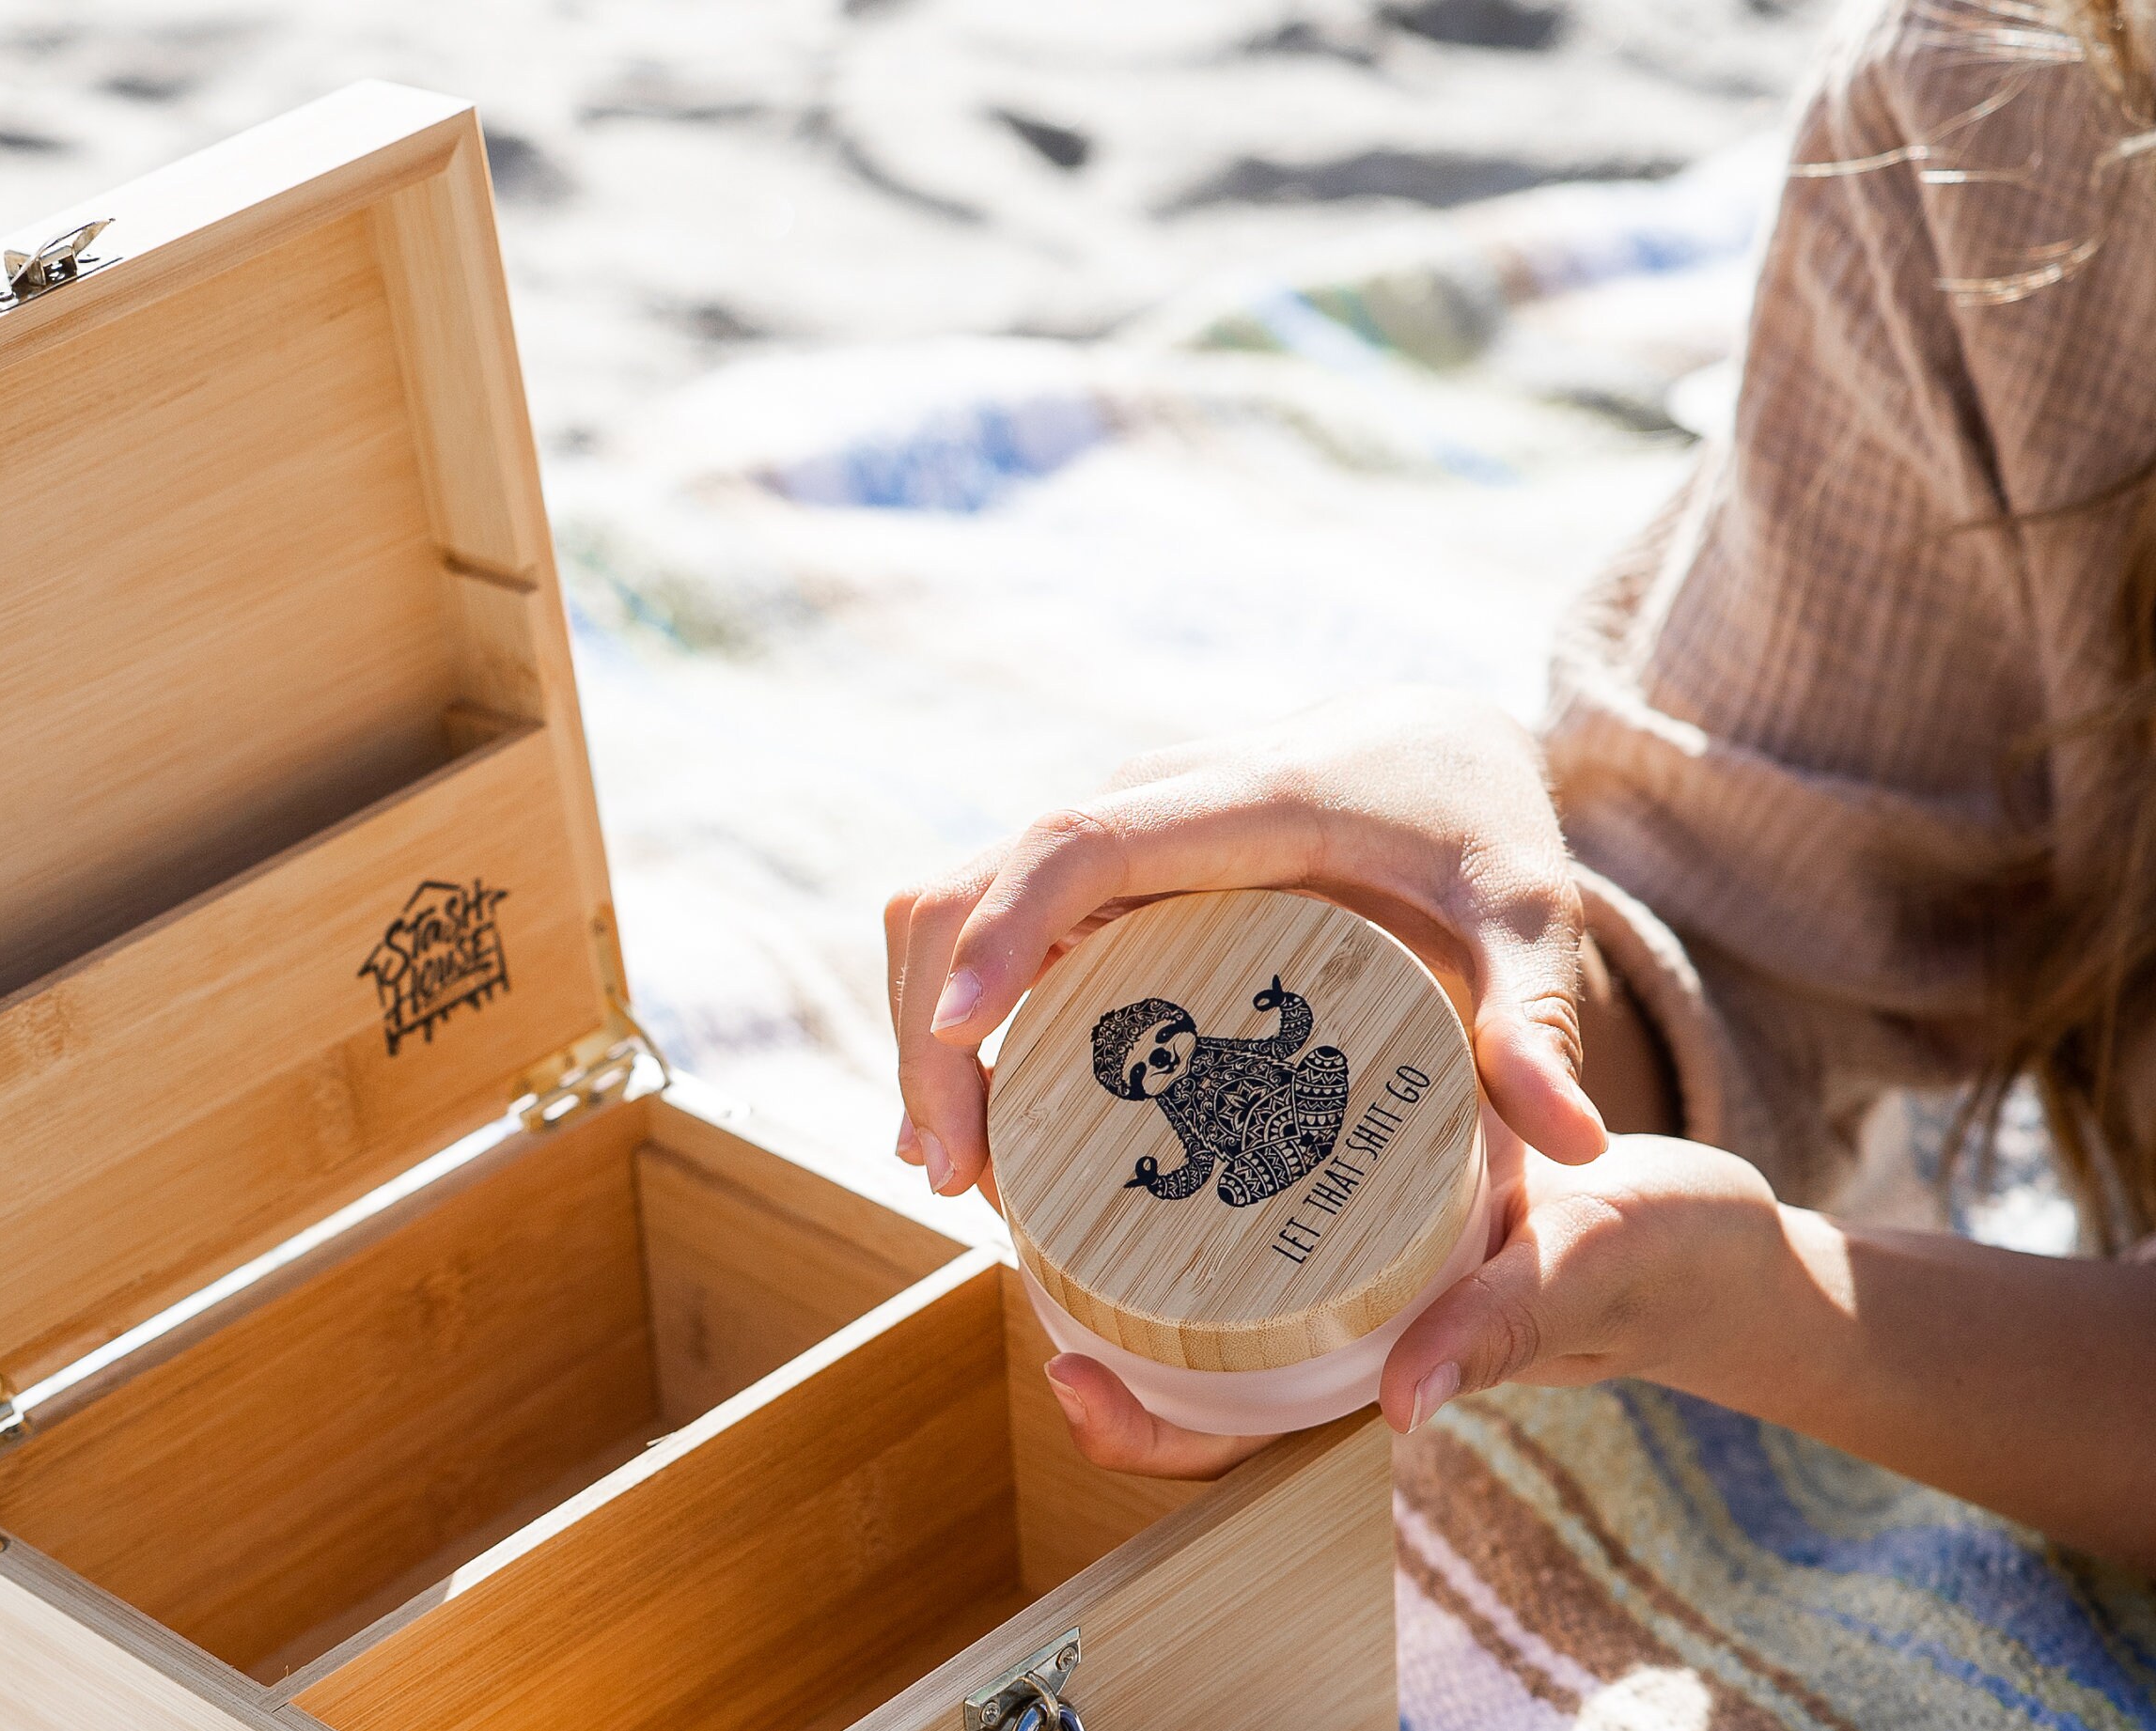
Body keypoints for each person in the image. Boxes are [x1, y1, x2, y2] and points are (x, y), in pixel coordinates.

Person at [884, 0, 2156, 1572]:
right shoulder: (2008, 118)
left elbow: (1203, 1143)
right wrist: (1459, 951)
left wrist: (1789, 1318)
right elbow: (1753, 952)